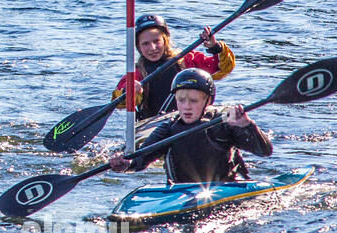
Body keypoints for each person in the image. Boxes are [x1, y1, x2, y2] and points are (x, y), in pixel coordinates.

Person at [108, 68, 271, 184]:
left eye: (193, 101)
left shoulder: (223, 125)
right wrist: (125, 164)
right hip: (180, 193)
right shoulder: (168, 129)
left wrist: (246, 125)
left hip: (225, 190)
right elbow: (141, 159)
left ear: (208, 101)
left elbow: (264, 151)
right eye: (181, 100)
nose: (186, 106)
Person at [115, 13, 236, 120]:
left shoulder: (185, 61)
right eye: (145, 44)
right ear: (138, 46)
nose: (152, 48)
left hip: (192, 120)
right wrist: (129, 91)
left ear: (165, 40)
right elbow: (119, 102)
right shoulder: (137, 73)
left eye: (156, 41)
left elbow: (222, 68)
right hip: (155, 126)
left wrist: (215, 47)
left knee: (232, 114)